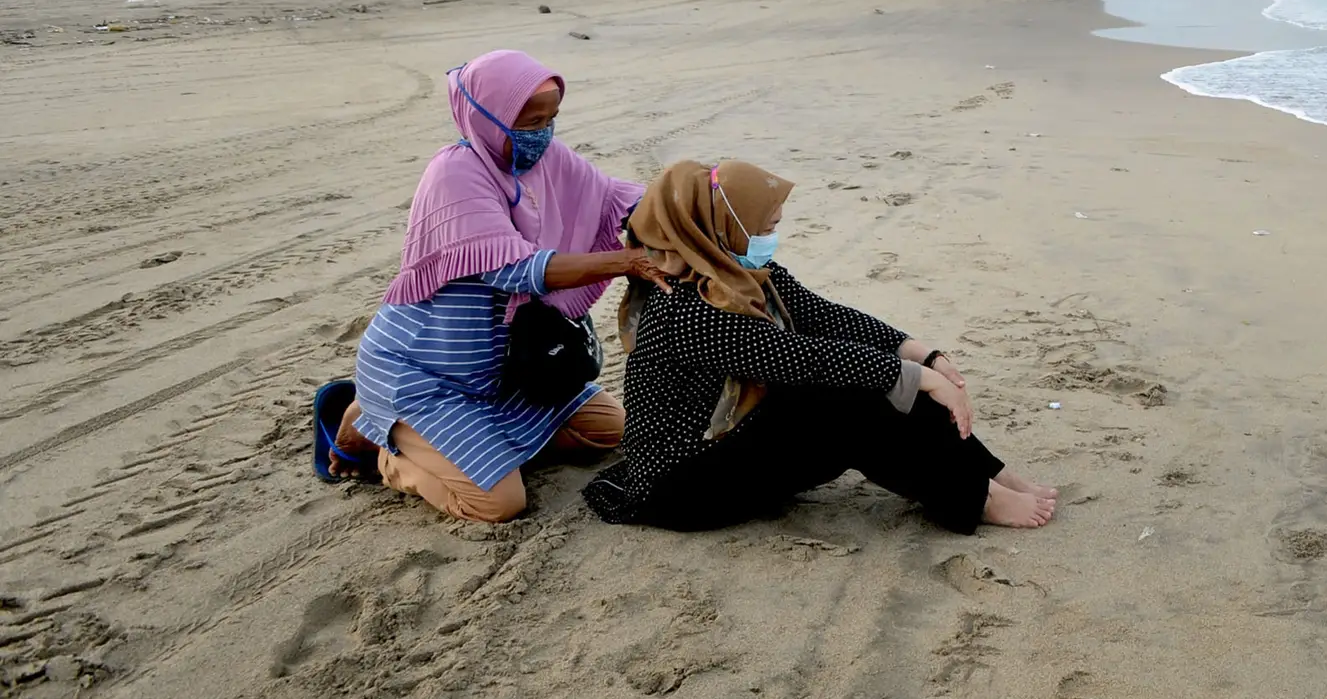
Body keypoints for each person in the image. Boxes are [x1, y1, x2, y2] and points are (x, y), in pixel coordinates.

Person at [582, 160, 1057, 533]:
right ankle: (975, 496)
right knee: (845, 398)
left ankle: (984, 472)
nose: (771, 237)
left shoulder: (736, 273)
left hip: (717, 446)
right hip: (680, 486)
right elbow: (802, 358)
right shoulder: (687, 307)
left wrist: (918, 352)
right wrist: (923, 379)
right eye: (764, 227)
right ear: (720, 229)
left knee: (875, 376)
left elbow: (823, 316)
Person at [313, 49, 662, 523]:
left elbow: (615, 197)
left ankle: (450, 443)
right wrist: (625, 262)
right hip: (427, 377)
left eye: (551, 118)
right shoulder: (454, 173)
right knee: (498, 504)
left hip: (505, 372)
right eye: (530, 120)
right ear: (487, 116)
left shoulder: (546, 161)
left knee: (610, 430)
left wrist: (683, 210)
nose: (542, 132)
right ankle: (387, 451)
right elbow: (514, 269)